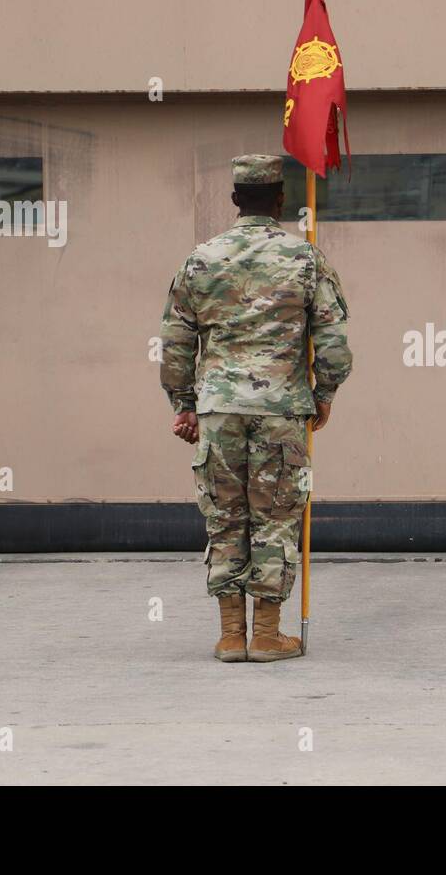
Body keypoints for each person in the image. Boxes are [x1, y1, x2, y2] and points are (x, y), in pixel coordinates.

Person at [159, 154, 351, 662]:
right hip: (281, 409)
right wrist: (324, 394)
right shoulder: (305, 259)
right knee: (276, 516)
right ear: (282, 200)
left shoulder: (202, 258)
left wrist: (183, 404)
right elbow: (332, 340)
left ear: (235, 199)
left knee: (225, 517)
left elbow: (176, 340)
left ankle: (229, 635)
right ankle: (266, 634)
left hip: (218, 409)